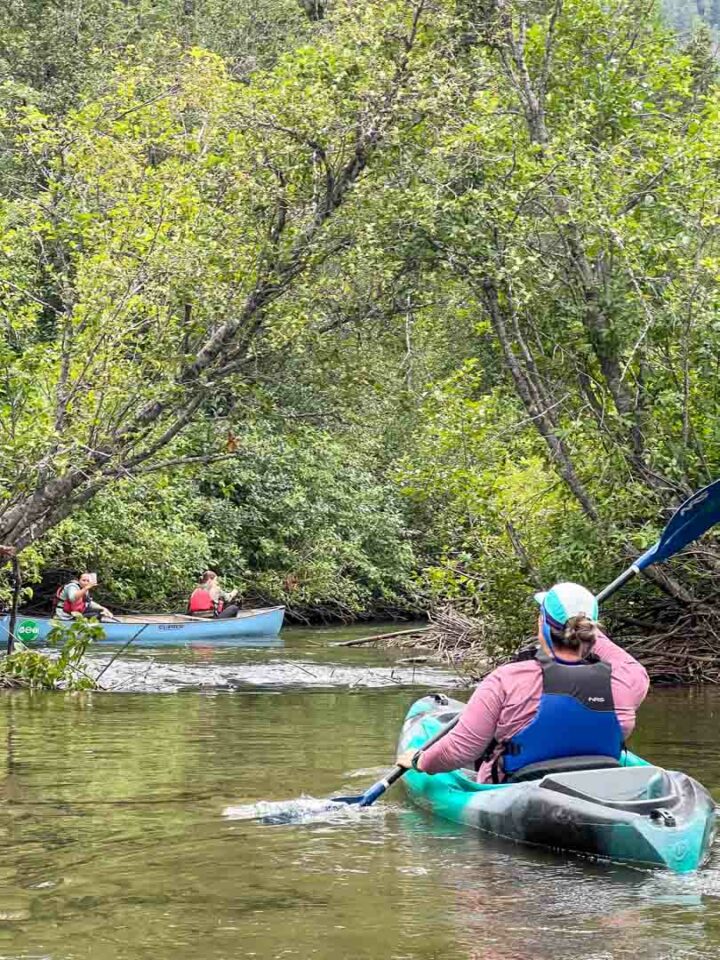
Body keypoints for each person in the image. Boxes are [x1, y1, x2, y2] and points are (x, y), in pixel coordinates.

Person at [397, 582, 650, 783]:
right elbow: (625, 662)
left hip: (517, 787)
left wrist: (421, 760)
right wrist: (584, 624)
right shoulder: (624, 681)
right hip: (597, 782)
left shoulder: (506, 680)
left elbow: (461, 750)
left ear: (541, 625)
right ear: (591, 631)